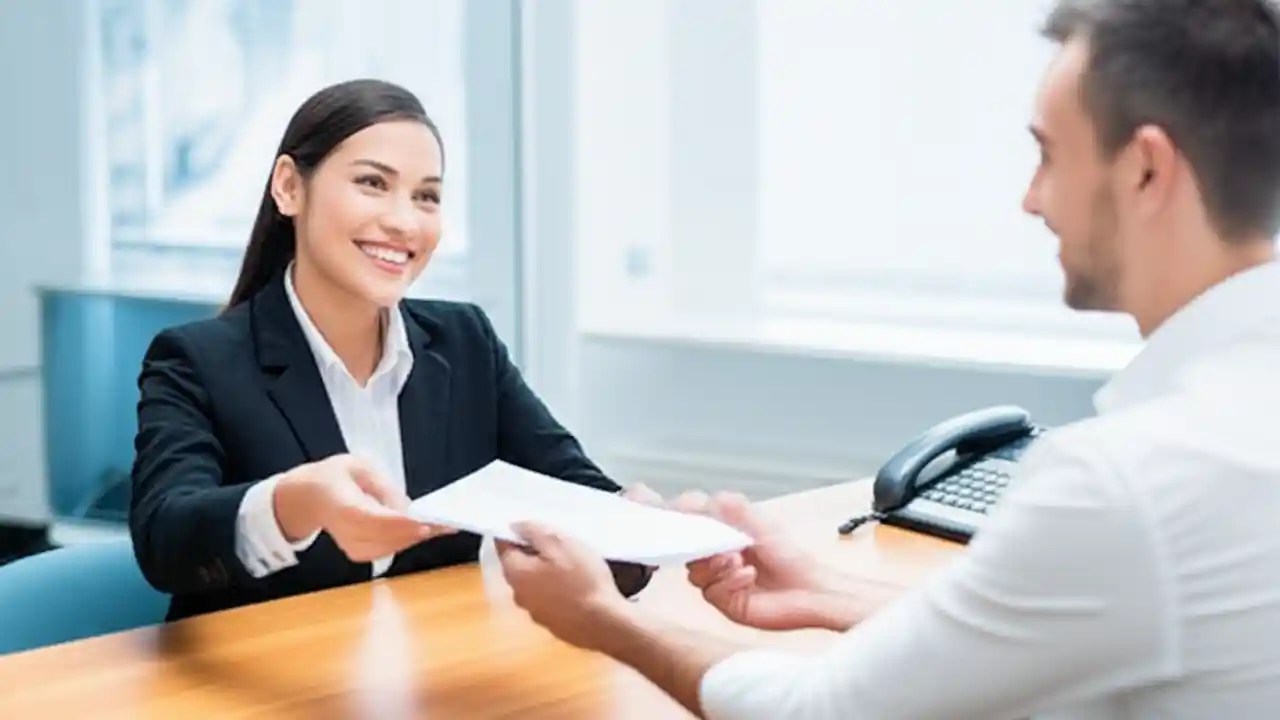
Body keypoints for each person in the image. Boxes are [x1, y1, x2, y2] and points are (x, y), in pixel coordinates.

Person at [496, 1, 1280, 717]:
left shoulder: (1125, 481)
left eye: (1048, 155)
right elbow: (1061, 636)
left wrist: (606, 620)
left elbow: (818, 712)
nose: (1032, 199)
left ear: (1146, 169)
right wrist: (826, 588)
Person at [130, 79, 655, 622]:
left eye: (426, 196)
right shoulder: (196, 360)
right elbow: (166, 540)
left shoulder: (465, 343)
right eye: (372, 183)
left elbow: (577, 492)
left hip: (429, 676)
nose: (405, 221)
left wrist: (643, 529)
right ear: (289, 187)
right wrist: (297, 501)